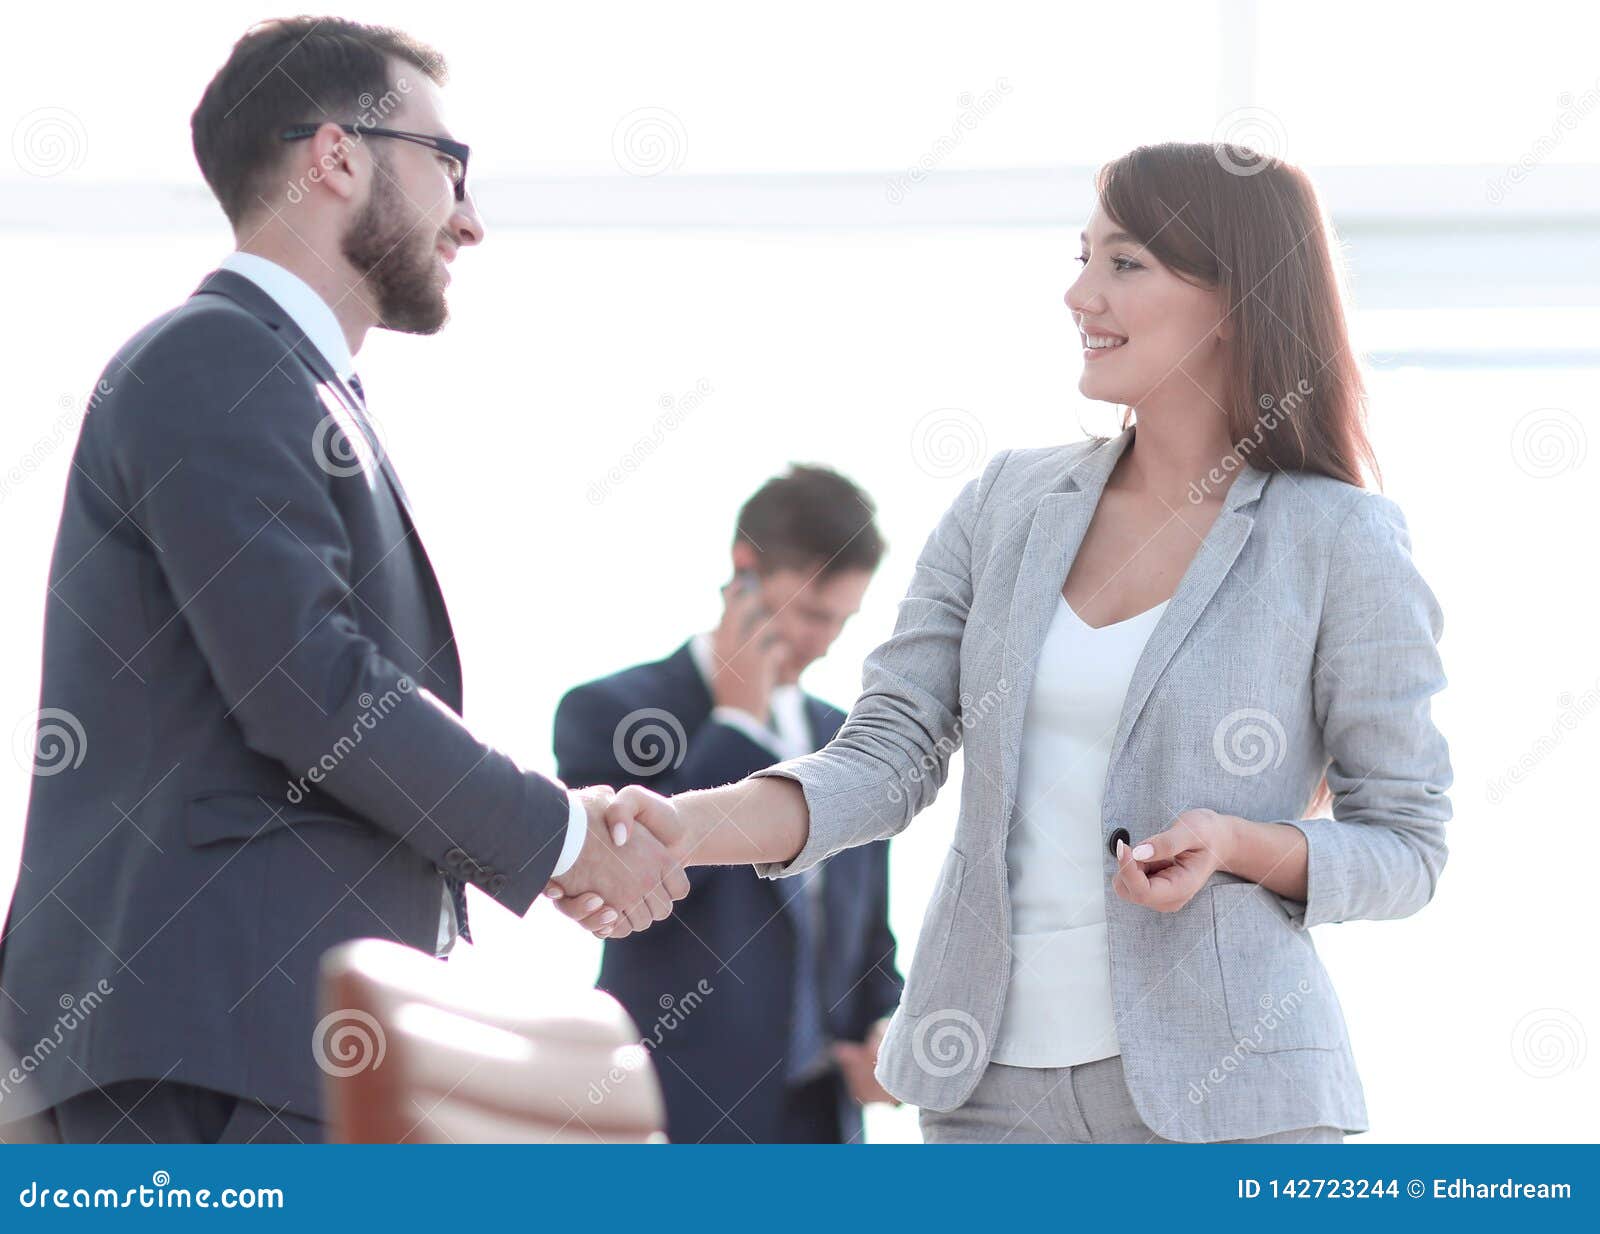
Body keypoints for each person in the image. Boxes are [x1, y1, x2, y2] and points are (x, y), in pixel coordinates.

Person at [552, 142, 1454, 1145]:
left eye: (1123, 263)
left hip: (1232, 1098)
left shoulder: (1336, 537)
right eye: (1081, 256)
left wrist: (1242, 845)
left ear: (1232, 296)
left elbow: (1406, 843)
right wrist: (690, 825)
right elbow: (885, 751)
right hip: (985, 1089)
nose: (1078, 293)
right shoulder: (1003, 505)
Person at [0, 17, 684, 1145]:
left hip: (266, 1049)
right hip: (205, 1055)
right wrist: (561, 834)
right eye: (447, 166)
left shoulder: (289, 384)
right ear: (336, 157)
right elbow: (309, 683)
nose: (469, 216)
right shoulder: (213, 358)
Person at [554, 466, 904, 1142]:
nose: (824, 642)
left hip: (823, 1125)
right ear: (744, 571)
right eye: (810, 614)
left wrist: (887, 1026)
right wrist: (738, 726)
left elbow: (864, 936)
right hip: (679, 1117)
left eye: (842, 621)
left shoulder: (848, 742)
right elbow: (633, 900)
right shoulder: (610, 712)